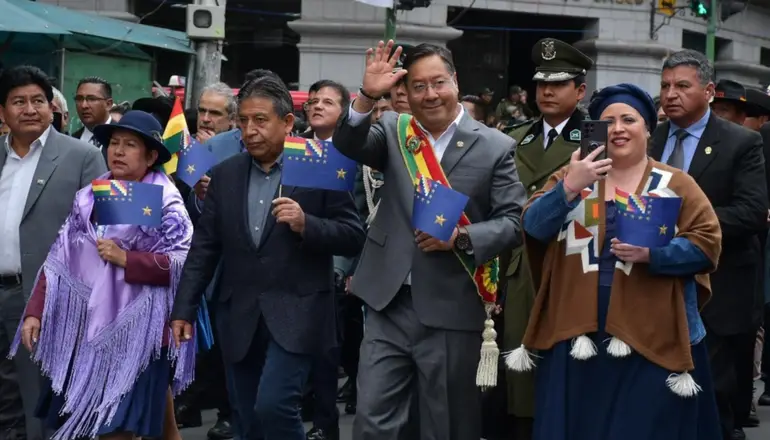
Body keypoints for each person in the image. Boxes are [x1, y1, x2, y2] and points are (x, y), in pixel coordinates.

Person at [506, 83, 723, 440]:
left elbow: (707, 245)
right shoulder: (573, 175)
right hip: (577, 331)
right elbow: (533, 227)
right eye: (609, 121)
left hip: (651, 332)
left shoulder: (676, 183)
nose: (619, 128)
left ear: (648, 128)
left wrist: (654, 256)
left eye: (629, 119)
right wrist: (569, 188)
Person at [333, 40, 526, 439]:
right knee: (372, 420)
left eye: (438, 82)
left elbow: (513, 223)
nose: (430, 94)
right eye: (418, 86)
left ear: (455, 81)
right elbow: (347, 144)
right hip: (388, 300)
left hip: (451, 303)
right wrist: (367, 95)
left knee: (447, 424)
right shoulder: (392, 129)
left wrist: (462, 238)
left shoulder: (495, 146)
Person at [169, 75, 365, 440]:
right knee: (245, 421)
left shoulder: (318, 164)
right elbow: (205, 248)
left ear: (288, 122)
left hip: (298, 312)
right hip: (239, 312)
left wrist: (308, 224)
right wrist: (183, 310)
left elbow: (353, 235)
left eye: (261, 120)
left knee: (273, 408)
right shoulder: (225, 174)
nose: (250, 130)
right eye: (243, 121)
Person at [11, 110, 194, 440]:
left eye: (130, 145)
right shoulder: (88, 197)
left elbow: (184, 262)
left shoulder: (166, 201)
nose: (118, 151)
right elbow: (59, 258)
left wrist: (128, 259)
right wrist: (35, 311)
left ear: (151, 155)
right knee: (156, 425)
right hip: (89, 324)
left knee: (116, 428)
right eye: (114, 143)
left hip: (142, 331)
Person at [649, 50, 768, 440]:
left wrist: (681, 225)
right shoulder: (649, 138)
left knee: (713, 404)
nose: (670, 94)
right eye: (666, 86)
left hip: (718, 290)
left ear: (709, 91)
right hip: (652, 288)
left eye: (682, 86)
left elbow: (751, 211)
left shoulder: (741, 142)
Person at [494, 37, 593, 440]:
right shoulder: (513, 137)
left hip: (571, 260)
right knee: (518, 365)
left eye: (559, 83)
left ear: (580, 90)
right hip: (518, 265)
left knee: (569, 359)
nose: (547, 91)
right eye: (541, 84)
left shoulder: (595, 138)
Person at [0, 65, 107, 440]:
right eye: (18, 102)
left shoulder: (81, 157)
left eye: (38, 101)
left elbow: (100, 231)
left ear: (52, 108)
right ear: (2, 112)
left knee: (40, 402)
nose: (29, 109)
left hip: (46, 300)